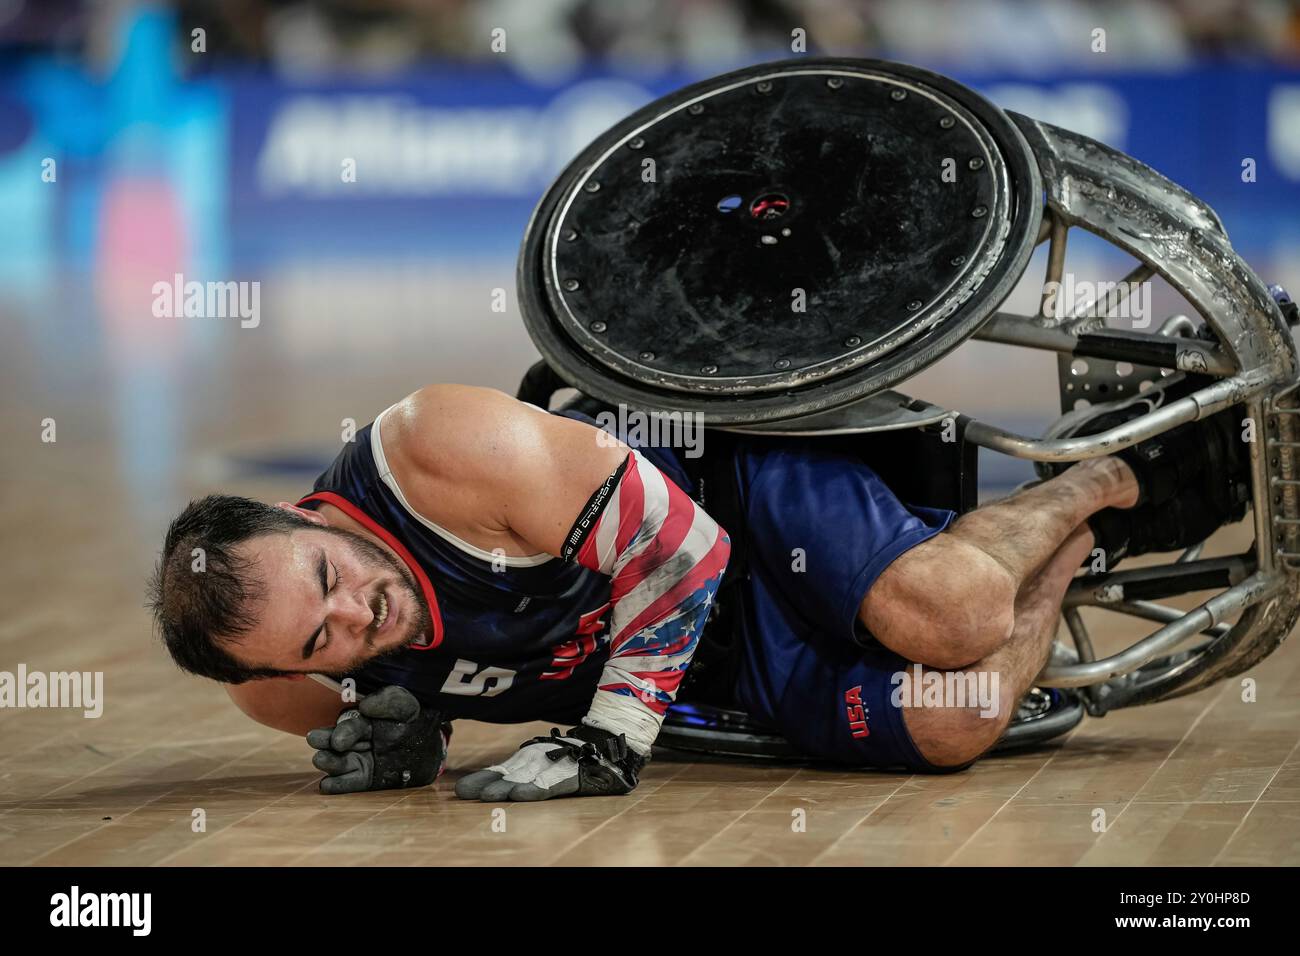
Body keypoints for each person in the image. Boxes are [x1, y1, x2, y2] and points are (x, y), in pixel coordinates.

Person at [147, 379, 1247, 801]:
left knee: (952, 616)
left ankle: (1094, 473)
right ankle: (1088, 530)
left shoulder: (438, 449)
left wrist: (612, 739)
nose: (359, 619)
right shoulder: (277, 681)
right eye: (325, 638)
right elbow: (415, 694)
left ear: (304, 512)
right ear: (286, 669)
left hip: (737, 506)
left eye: (334, 578)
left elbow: (686, 557)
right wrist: (414, 736)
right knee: (954, 721)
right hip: (707, 665)